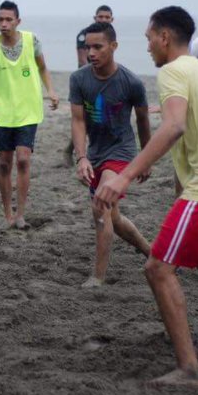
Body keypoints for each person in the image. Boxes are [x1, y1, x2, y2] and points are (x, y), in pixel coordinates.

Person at [95, 6, 198, 387]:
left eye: (149, 38)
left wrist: (124, 177)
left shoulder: (172, 71)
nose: (149, 46)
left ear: (165, 37)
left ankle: (189, 369)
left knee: (157, 268)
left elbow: (173, 126)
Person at [69, 22, 152, 288]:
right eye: (87, 47)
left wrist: (146, 159)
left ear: (113, 47)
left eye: (97, 47)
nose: (91, 52)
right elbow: (78, 121)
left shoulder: (132, 83)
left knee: (101, 206)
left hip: (122, 151)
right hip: (95, 152)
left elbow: (142, 121)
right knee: (113, 218)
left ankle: (98, 277)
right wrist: (81, 157)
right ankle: (152, 254)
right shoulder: (79, 79)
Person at [0, 0, 59, 229]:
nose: (4, 23)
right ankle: (8, 215)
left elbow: (42, 67)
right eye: (0, 19)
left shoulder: (32, 41)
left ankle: (21, 215)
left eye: (9, 19)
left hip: (29, 111)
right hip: (4, 113)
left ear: (18, 21)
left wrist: (50, 90)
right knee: (4, 164)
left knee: (23, 159)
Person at [67, 5, 115, 165]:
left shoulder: (109, 36)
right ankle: (70, 149)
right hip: (88, 81)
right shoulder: (84, 35)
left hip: (107, 80)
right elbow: (82, 60)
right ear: (95, 18)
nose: (103, 20)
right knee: (86, 118)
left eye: (107, 17)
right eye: (100, 17)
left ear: (112, 19)